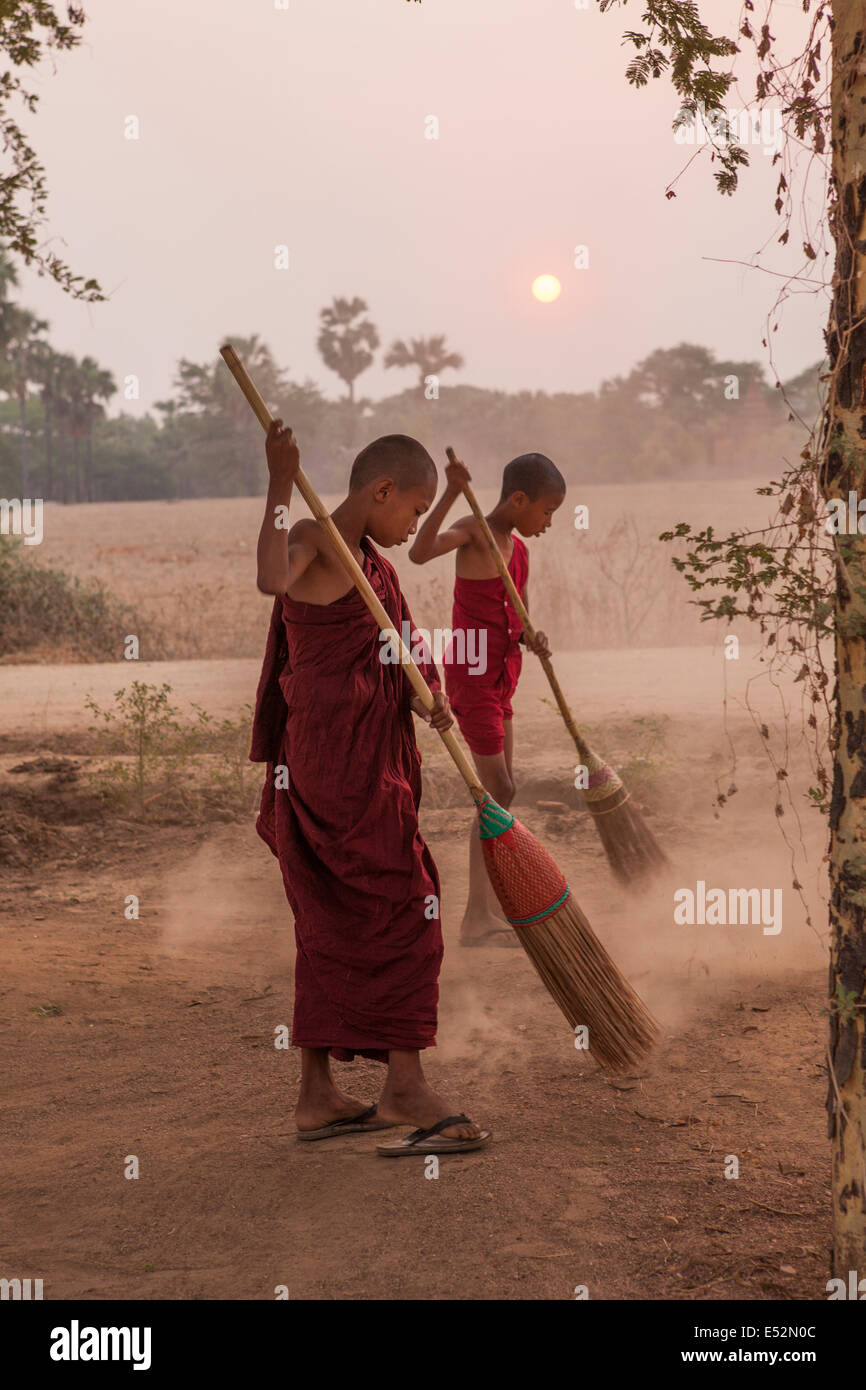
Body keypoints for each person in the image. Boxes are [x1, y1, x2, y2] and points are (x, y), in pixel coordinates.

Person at [250, 422, 490, 1156]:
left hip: (367, 752)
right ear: (381, 490)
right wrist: (278, 482)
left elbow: (400, 642)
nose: (416, 525)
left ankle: (317, 1097)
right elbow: (270, 580)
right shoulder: (314, 539)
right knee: (405, 903)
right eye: (414, 510)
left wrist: (429, 692)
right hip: (335, 767)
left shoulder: (371, 565)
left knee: (329, 916)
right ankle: (406, 1087)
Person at [409, 450, 566, 946]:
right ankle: (478, 915)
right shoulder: (474, 530)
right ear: (518, 499)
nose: (547, 523)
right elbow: (419, 551)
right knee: (496, 790)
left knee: (504, 790)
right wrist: (453, 491)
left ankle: (486, 910)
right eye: (546, 512)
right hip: (472, 676)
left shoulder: (518, 552)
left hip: (503, 677)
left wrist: (529, 637)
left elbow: (516, 617)